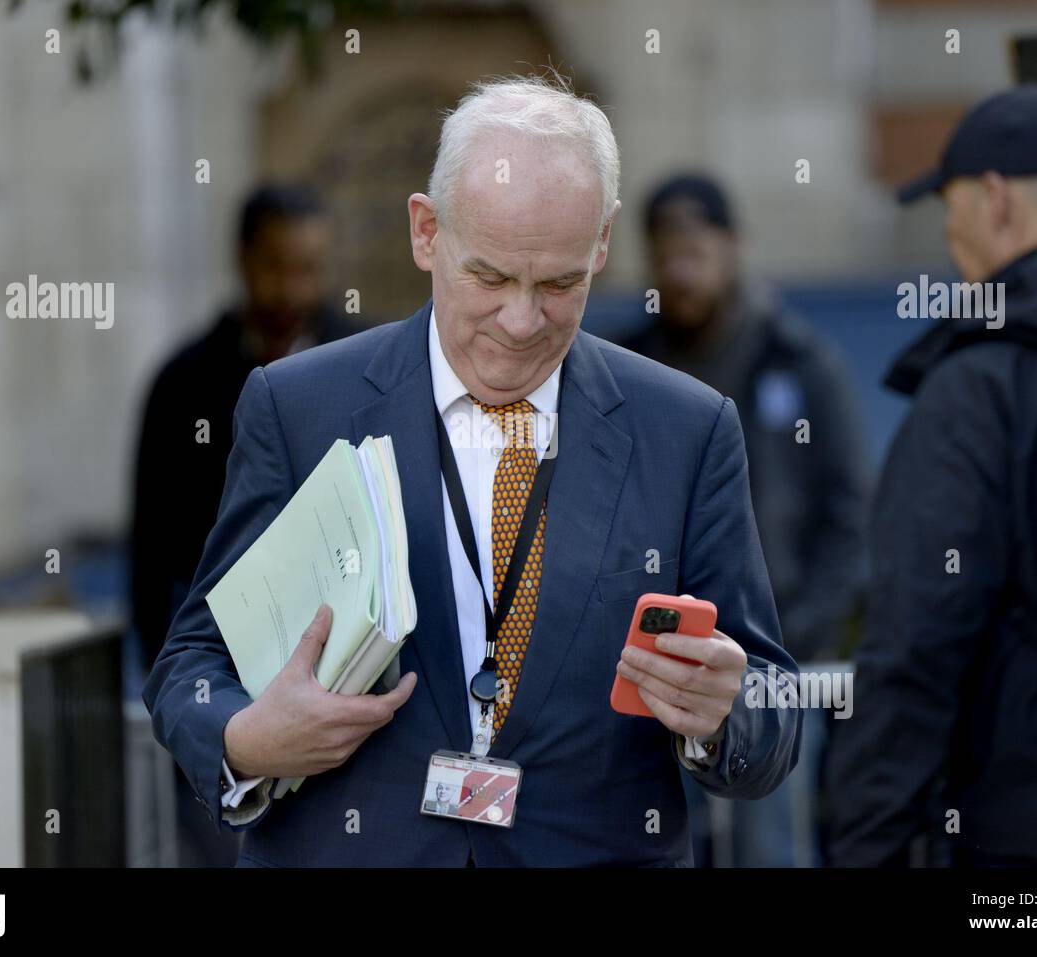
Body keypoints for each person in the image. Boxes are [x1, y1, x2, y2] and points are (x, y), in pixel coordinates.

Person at [143, 74, 800, 867]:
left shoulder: (689, 430)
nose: (522, 322)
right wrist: (247, 738)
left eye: (560, 284)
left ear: (602, 243)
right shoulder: (297, 407)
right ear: (426, 231)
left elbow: (770, 710)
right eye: (488, 277)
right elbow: (193, 662)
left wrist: (725, 714)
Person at [826, 84, 1037, 866]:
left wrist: (868, 842)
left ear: (998, 201)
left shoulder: (980, 383)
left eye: (952, 204)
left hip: (1033, 848)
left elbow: (913, 646)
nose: (948, 232)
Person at [622, 174, 869, 867]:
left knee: (769, 842)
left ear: (734, 247)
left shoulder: (801, 362)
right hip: (653, 663)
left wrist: (796, 640)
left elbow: (851, 515)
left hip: (772, 662)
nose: (681, 271)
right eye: (666, 254)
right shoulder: (630, 364)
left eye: (696, 251)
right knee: (660, 840)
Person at [130, 182, 353, 866]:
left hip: (348, 669)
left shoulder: (363, 364)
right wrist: (184, 704)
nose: (292, 287)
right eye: (276, 265)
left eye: (309, 267)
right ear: (242, 259)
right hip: (225, 679)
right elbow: (149, 557)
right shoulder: (184, 382)